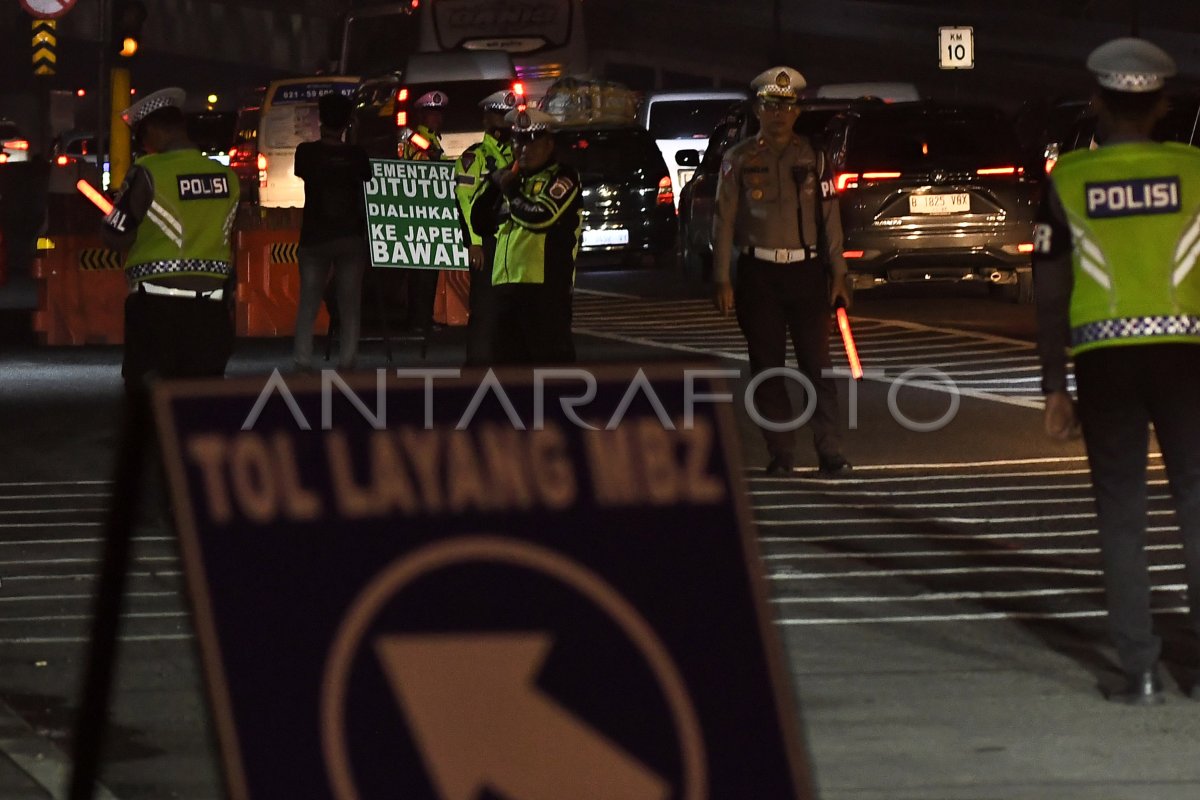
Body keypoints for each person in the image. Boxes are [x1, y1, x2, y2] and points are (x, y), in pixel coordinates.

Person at [1034, 37, 1200, 705]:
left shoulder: (1068, 180)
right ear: (1161, 106)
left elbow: (1049, 288)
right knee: (1197, 502)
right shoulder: (1195, 171)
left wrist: (1053, 384)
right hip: (1188, 356)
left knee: (1122, 512)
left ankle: (1140, 670)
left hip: (1105, 360)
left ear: (1099, 101)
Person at [712, 66, 853, 477]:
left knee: (817, 367)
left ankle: (830, 451)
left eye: (786, 107)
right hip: (759, 274)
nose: (779, 115)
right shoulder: (737, 160)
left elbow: (830, 218)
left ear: (797, 112)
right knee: (768, 367)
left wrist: (840, 273)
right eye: (771, 106)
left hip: (807, 273)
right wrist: (722, 277)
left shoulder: (814, 158)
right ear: (758, 109)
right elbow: (723, 222)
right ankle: (781, 452)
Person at [101, 87, 240, 400]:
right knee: (203, 407)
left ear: (152, 132)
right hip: (212, 314)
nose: (143, 146)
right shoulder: (227, 177)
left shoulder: (148, 172)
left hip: (157, 311)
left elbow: (115, 236)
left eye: (141, 138)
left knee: (147, 406)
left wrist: (114, 211)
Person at [470, 107, 581, 364]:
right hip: (505, 290)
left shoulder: (563, 177)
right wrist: (492, 187)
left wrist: (510, 190)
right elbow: (480, 223)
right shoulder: (510, 176)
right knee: (509, 377)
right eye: (518, 141)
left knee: (550, 375)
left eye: (532, 142)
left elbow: (541, 217)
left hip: (544, 291)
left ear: (550, 143)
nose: (523, 149)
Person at [292, 91, 371, 371]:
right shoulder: (357, 155)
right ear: (347, 123)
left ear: (321, 121)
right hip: (350, 237)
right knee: (350, 303)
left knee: (309, 301)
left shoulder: (306, 153)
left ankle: (302, 359)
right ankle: (347, 360)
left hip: (314, 238)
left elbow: (302, 171)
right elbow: (366, 175)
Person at [454, 89, 518, 364]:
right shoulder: (474, 157)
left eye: (510, 117)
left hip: (516, 242)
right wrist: (474, 242)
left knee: (513, 309)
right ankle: (477, 370)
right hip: (488, 242)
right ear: (488, 119)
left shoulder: (519, 155)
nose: (506, 123)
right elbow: (464, 202)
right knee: (485, 310)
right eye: (501, 116)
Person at [398, 90, 447, 331]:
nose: (437, 118)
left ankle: (422, 318)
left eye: (439, 113)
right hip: (419, 213)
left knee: (427, 270)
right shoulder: (419, 139)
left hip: (428, 213)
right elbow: (424, 168)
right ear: (422, 115)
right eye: (432, 114)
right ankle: (418, 320)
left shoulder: (432, 139)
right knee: (421, 271)